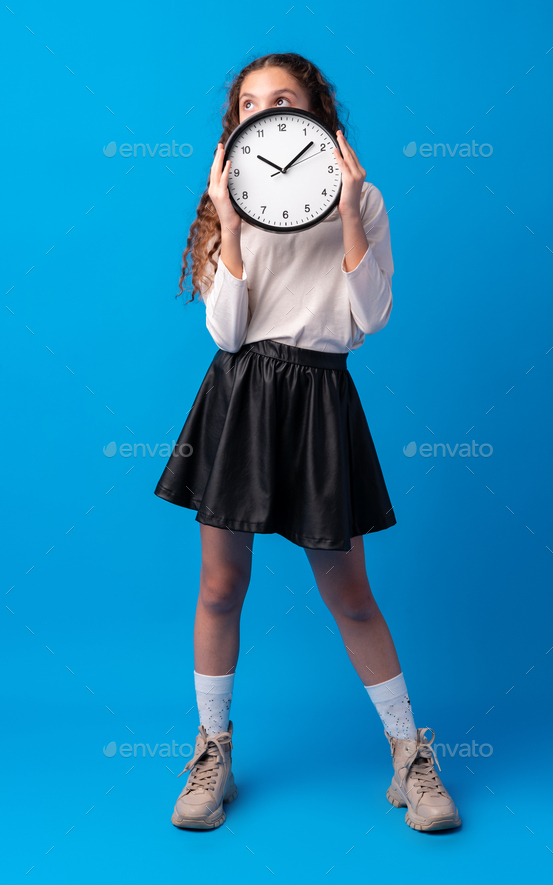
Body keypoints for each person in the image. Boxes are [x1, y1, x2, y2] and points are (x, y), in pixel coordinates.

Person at [154, 52, 460, 833]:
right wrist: (227, 221)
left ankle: (408, 757)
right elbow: (226, 331)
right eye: (249, 103)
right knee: (221, 585)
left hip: (321, 394)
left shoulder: (367, 200)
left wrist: (351, 210)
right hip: (242, 394)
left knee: (349, 592)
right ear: (239, 124)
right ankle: (212, 749)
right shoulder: (227, 205)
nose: (264, 111)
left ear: (314, 113)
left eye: (281, 98)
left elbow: (369, 319)